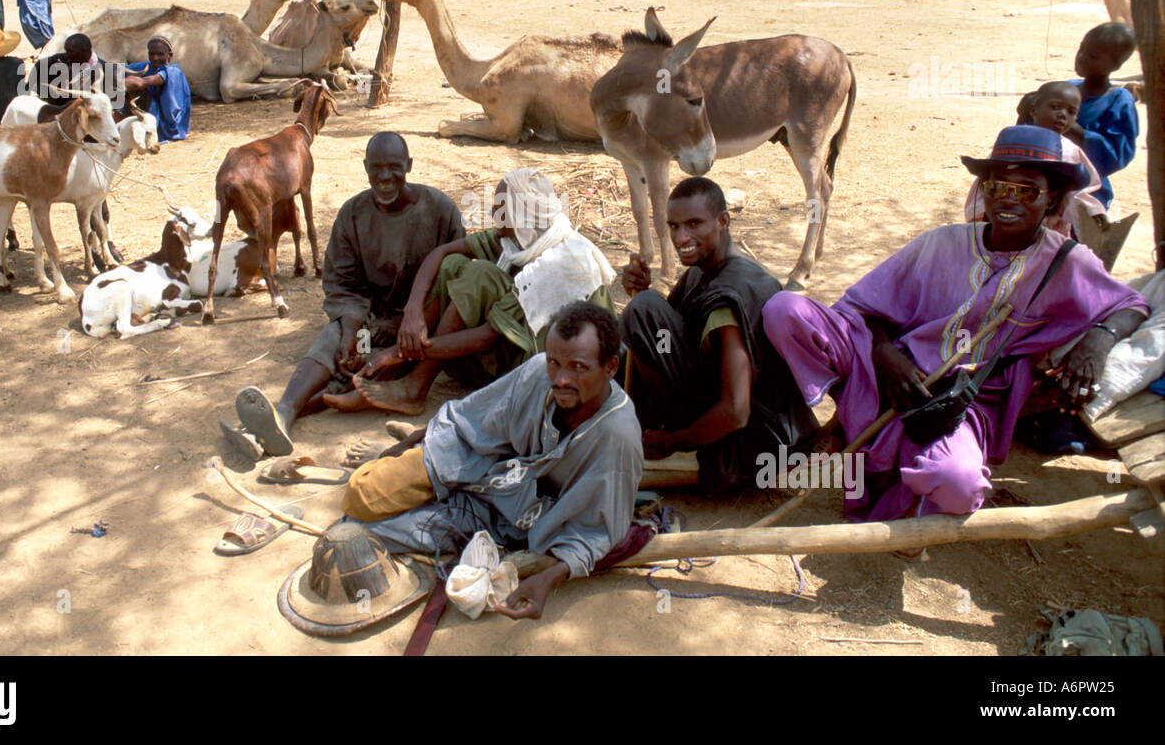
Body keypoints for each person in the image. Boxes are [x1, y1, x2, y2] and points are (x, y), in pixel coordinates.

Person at [762, 125, 1147, 524]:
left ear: (1052, 202)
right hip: (888, 369)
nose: (1008, 200)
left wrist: (1101, 339)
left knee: (959, 487)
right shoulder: (942, 242)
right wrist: (885, 355)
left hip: (960, 402)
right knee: (784, 310)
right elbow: (863, 309)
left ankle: (900, 474)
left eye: (1027, 191)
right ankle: (852, 424)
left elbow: (1131, 303)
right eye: (998, 187)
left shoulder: (1065, 263)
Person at [341, 301, 643, 620]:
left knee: (358, 529)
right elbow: (472, 418)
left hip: (507, 521)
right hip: (479, 469)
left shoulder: (617, 436)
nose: (562, 379)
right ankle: (407, 453)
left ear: (610, 367)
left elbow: (598, 532)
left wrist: (546, 579)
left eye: (578, 367)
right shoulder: (538, 373)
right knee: (363, 493)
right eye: (555, 362)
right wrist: (411, 447)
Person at [224, 132, 466, 458]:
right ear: (365, 168)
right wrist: (352, 325)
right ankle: (282, 413)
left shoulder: (440, 211)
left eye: (394, 167)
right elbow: (342, 283)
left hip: (418, 326)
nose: (384, 177)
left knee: (367, 371)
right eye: (376, 168)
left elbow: (455, 279)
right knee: (339, 345)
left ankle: (273, 424)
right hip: (368, 320)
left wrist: (407, 320)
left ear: (409, 166)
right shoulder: (353, 215)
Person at [324, 167, 616, 417]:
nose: (492, 212)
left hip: (542, 374)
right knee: (454, 264)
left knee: (480, 274)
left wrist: (399, 352)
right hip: (497, 354)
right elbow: (443, 252)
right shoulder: (521, 237)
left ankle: (414, 385)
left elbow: (487, 336)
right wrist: (412, 313)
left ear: (522, 212)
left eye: (500, 206)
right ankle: (409, 368)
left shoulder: (558, 263)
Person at [619, 177, 817, 493]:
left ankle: (664, 431)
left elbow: (736, 411)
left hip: (754, 437)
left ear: (723, 221)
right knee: (629, 335)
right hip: (712, 397)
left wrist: (671, 442)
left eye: (693, 224)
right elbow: (670, 341)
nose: (681, 237)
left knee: (643, 312)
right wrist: (640, 296)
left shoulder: (732, 294)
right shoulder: (703, 270)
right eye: (673, 226)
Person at [967, 80, 1104, 238]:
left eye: (1071, 111)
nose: (1062, 115)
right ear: (1034, 109)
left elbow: (1079, 192)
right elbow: (986, 181)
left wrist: (1093, 213)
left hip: (1048, 229)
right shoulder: (1012, 141)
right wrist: (979, 217)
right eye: (1055, 106)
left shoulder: (1070, 151)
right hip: (1004, 220)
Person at [1065, 22, 1139, 208]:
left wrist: (1078, 133)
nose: (1081, 58)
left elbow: (1118, 154)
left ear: (1115, 65)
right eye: (1081, 49)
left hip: (1087, 189)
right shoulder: (1065, 90)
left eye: (1093, 56)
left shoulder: (1118, 101)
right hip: (1046, 182)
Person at [27, 33, 124, 115]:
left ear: (84, 52)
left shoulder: (106, 70)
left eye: (70, 52)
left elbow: (114, 104)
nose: (66, 54)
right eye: (66, 50)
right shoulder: (60, 61)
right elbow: (39, 66)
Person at [121, 36, 191, 142]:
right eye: (152, 54)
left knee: (135, 94)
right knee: (111, 79)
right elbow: (116, 70)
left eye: (160, 54)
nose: (155, 58)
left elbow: (141, 83)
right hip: (152, 115)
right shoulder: (146, 66)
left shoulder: (173, 71)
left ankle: (119, 131)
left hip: (168, 124)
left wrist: (115, 84)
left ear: (170, 55)